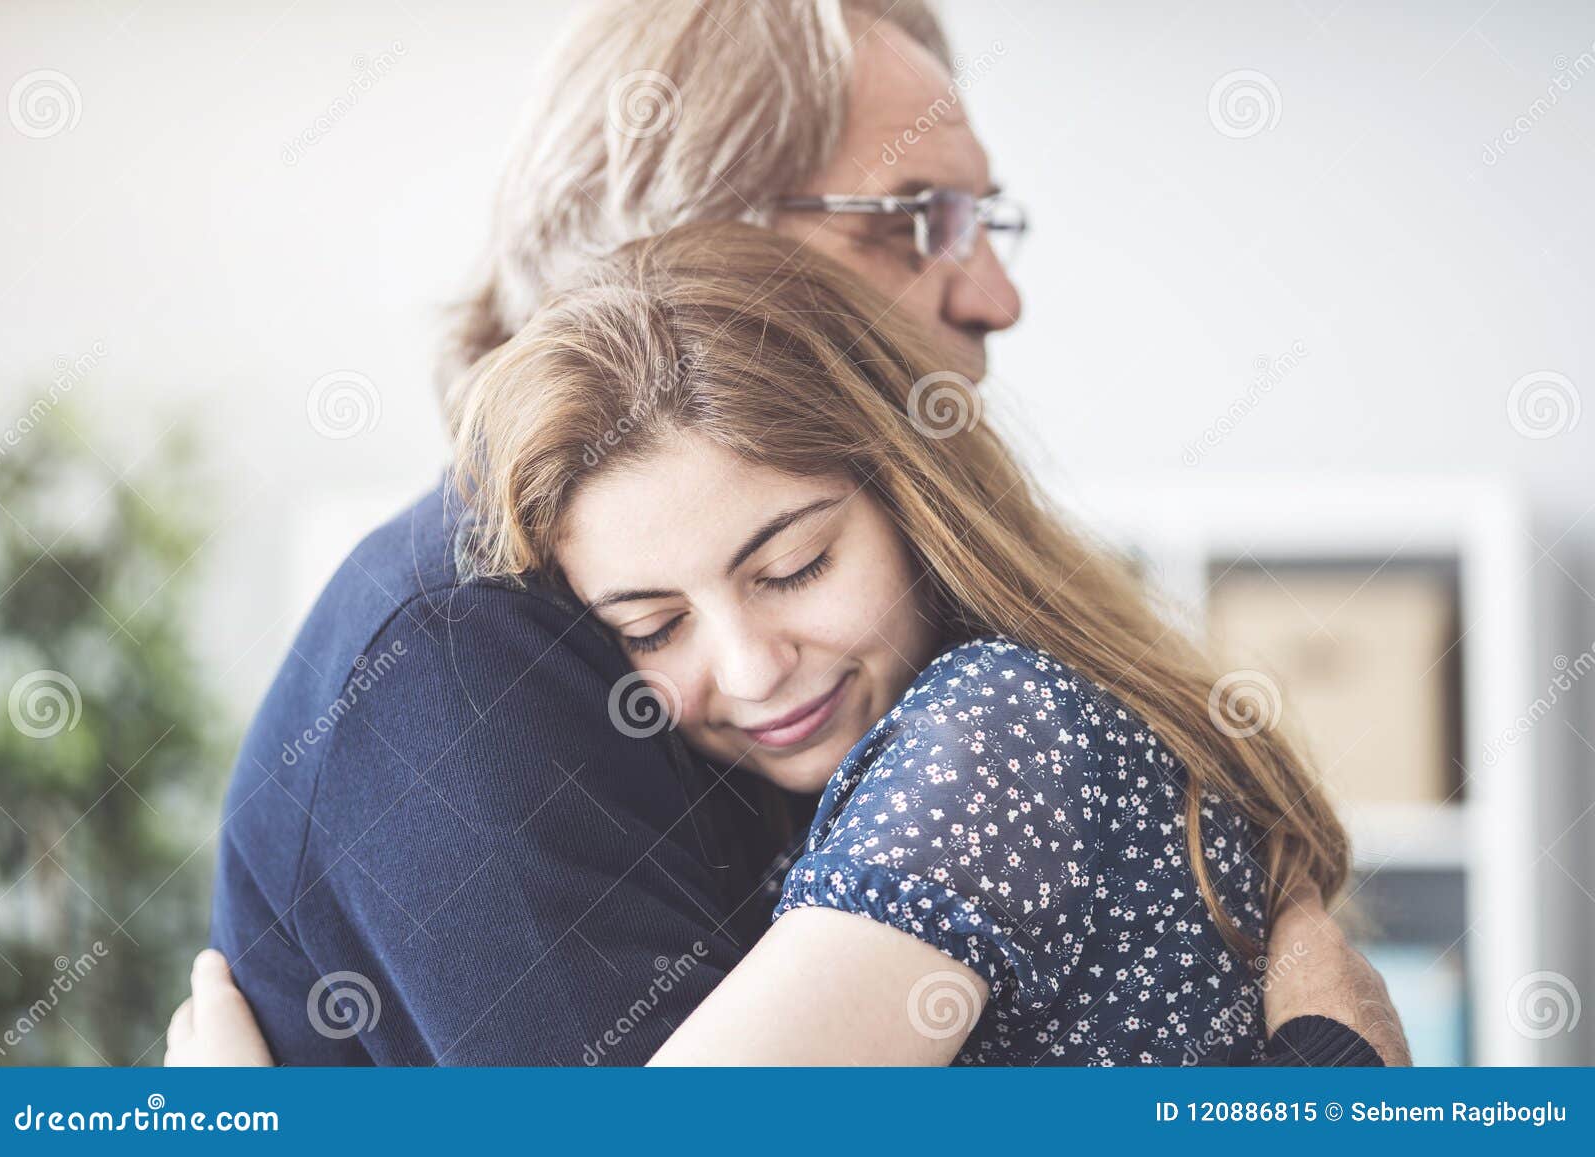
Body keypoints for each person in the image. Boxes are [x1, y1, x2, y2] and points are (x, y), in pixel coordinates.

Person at [197, 0, 1408, 1065]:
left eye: (793, 566)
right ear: (692, 249)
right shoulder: (467, 651)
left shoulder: (970, 700)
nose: (994, 294)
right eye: (910, 219)